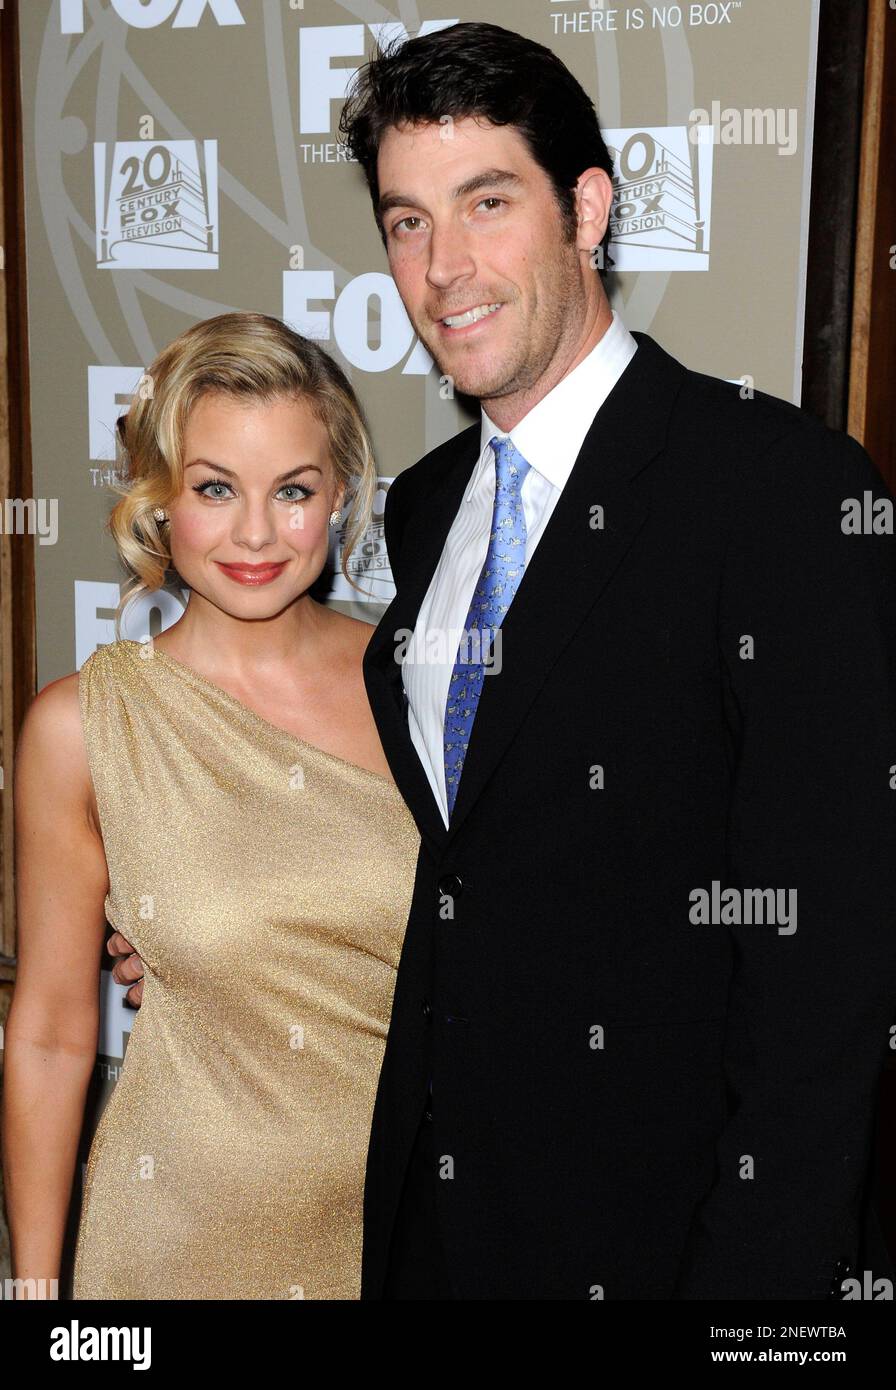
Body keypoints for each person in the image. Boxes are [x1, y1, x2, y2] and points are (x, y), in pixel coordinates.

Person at [335, 22, 896, 1298]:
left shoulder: (780, 493)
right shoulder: (422, 508)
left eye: (488, 202)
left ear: (585, 207)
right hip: (443, 1229)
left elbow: (829, 961)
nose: (443, 268)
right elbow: (468, 847)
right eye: (406, 221)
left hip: (681, 1240)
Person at [2, 311, 421, 1299]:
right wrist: (32, 1293)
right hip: (174, 1247)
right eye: (214, 488)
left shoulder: (417, 691)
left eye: (293, 491)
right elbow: (56, 1030)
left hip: (403, 1234)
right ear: (158, 499)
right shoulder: (84, 726)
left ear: (338, 498)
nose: (254, 533)